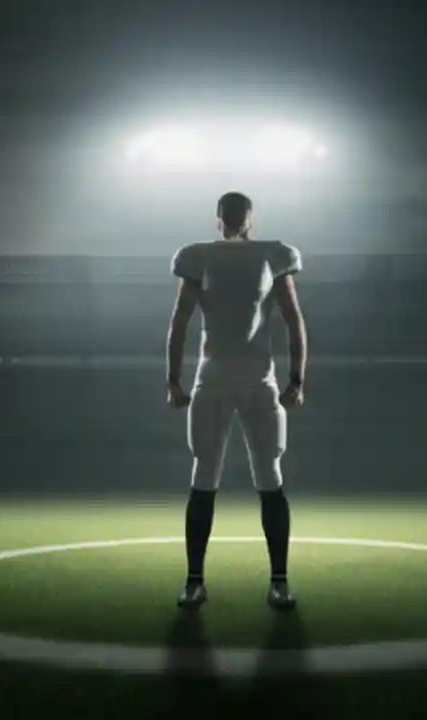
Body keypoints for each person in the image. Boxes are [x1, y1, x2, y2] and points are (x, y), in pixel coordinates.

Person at [166, 191, 308, 610]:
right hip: (227, 380)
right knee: (224, 475)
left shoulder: (257, 256)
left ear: (224, 219)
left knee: (249, 475)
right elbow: (180, 320)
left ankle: (267, 581)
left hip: (243, 381)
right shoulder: (217, 256)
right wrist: (297, 379)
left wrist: (173, 380)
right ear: (246, 218)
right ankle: (206, 581)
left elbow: (180, 321)